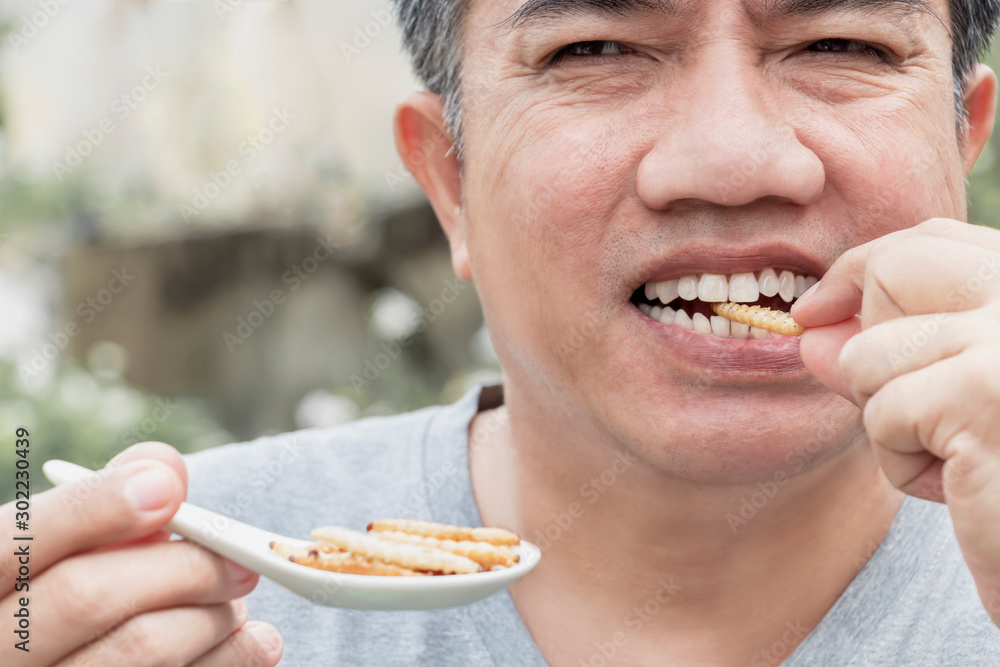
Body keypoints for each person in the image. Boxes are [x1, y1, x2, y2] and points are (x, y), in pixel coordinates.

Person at [4, 0, 1000, 664]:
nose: (735, 160)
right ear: (449, 182)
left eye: (841, 45)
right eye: (594, 50)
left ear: (964, 139)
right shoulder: (173, 595)